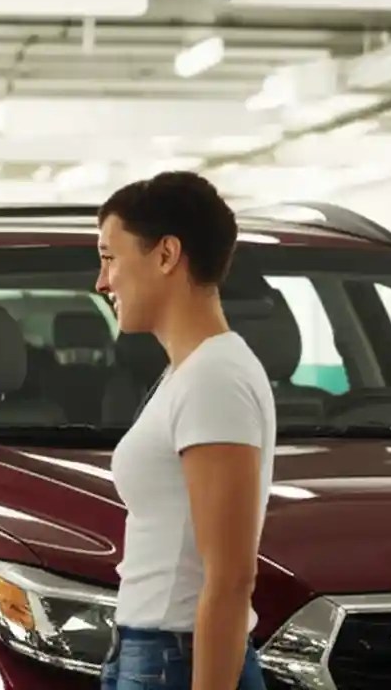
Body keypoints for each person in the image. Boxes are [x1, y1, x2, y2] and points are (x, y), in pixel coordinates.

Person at [94, 171, 275, 690]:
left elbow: (231, 578)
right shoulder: (190, 373)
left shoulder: (214, 378)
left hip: (173, 661)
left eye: (110, 257)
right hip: (156, 654)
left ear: (166, 255)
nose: (102, 282)